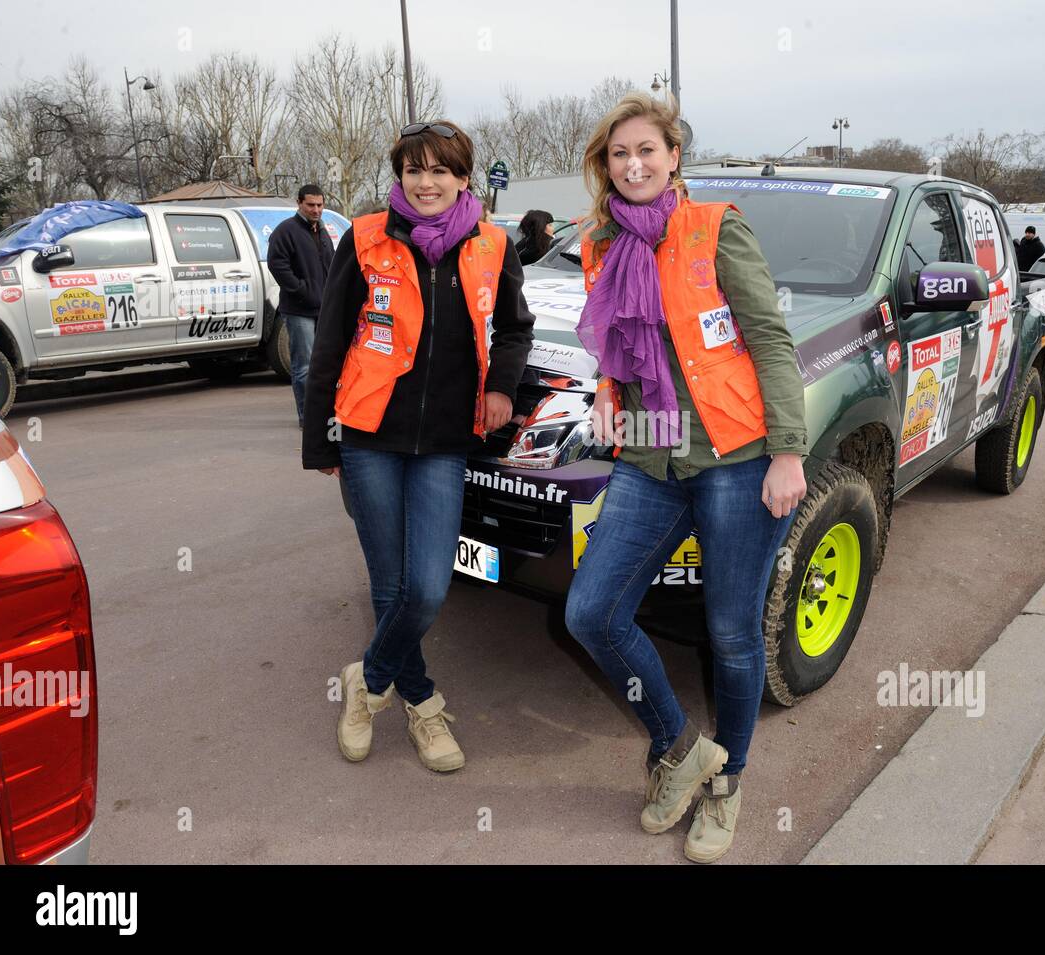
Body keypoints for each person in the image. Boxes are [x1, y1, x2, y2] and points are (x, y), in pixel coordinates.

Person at [563, 93, 808, 863]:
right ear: (606, 166)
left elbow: (769, 337)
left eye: (647, 150)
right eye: (618, 153)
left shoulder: (715, 229)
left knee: (732, 633)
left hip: (738, 458)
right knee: (591, 611)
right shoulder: (602, 243)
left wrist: (788, 451)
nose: (632, 164)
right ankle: (679, 745)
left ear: (674, 157)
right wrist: (607, 396)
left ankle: (728, 780)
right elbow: (615, 347)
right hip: (649, 451)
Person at [301, 120, 535, 771]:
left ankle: (367, 679)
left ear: (465, 177)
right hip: (369, 436)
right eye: (414, 169)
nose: (425, 181)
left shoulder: (493, 244)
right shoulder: (366, 237)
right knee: (389, 583)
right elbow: (328, 343)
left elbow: (515, 329)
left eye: (440, 169)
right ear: (399, 175)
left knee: (428, 588)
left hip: (445, 443)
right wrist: (320, 438)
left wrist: (503, 390)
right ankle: (423, 703)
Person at [268, 184, 335, 426]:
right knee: (304, 366)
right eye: (311, 205)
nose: (316, 209)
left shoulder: (323, 231)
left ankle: (322, 414)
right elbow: (277, 265)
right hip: (299, 310)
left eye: (320, 205)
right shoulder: (285, 231)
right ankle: (308, 418)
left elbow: (330, 267)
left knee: (323, 365)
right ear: (299, 203)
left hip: (323, 309)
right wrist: (301, 290)